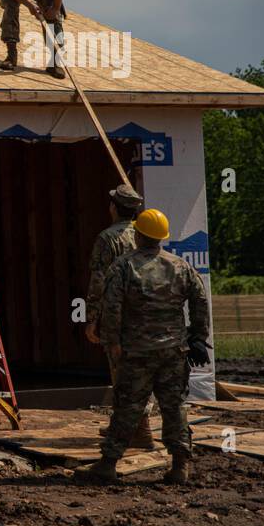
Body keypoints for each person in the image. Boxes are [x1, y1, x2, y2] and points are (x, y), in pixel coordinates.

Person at [79, 209, 211, 484]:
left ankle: (108, 464)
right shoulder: (179, 265)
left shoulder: (124, 266)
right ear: (161, 237)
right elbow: (200, 300)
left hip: (136, 351)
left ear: (138, 235)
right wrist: (198, 336)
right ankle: (179, 465)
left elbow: (112, 306)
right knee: (174, 407)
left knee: (128, 406)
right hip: (174, 351)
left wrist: (112, 342)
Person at [85, 184, 154, 449]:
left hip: (118, 314)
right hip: (146, 314)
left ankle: (138, 429)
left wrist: (92, 318)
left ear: (113, 207)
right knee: (143, 371)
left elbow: (98, 281)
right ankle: (136, 425)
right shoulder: (144, 235)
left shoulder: (107, 239)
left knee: (121, 371)